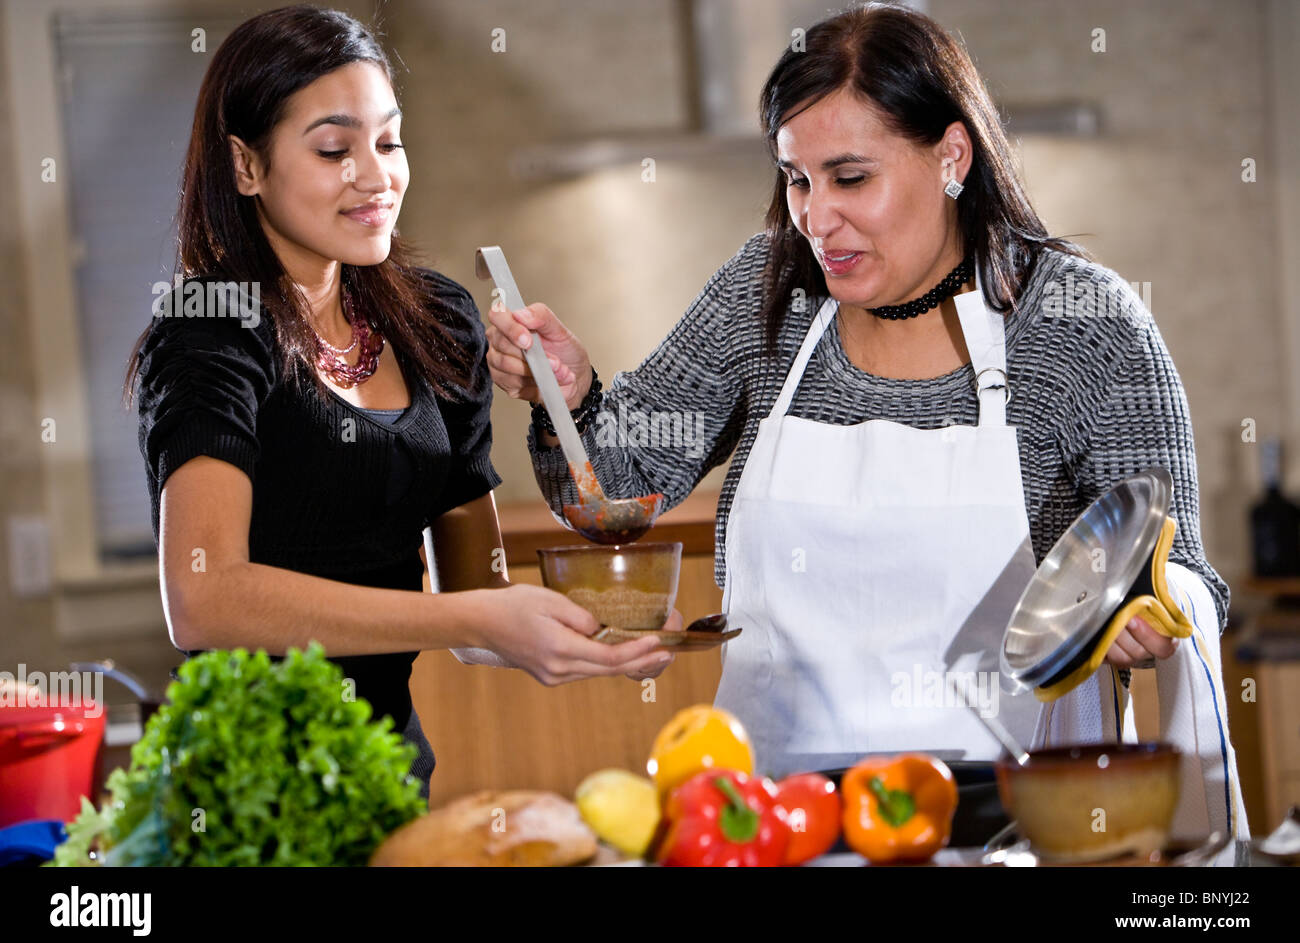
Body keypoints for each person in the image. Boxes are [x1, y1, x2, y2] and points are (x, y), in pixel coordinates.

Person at [487, 3, 1247, 840]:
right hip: (776, 823)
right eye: (796, 178)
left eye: (850, 178)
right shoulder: (765, 293)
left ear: (952, 155)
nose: (815, 218)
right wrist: (566, 396)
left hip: (1015, 829)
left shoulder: (1077, 318)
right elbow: (610, 499)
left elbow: (1181, 577)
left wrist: (1142, 605)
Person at [125, 5, 673, 800]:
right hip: (244, 792)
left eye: (389, 141)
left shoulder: (439, 322)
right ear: (246, 166)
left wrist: (586, 630)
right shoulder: (211, 329)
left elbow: (474, 596)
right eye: (333, 149)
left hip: (389, 779)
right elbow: (205, 599)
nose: (377, 177)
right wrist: (474, 621)